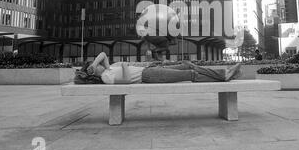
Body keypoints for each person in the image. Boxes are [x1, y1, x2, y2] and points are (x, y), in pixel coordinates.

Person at [76, 52, 242, 84]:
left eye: (96, 64)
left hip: (150, 70)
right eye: (94, 67)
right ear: (94, 74)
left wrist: (95, 63)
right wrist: (125, 65)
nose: (97, 66)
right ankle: (224, 74)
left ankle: (224, 74)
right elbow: (125, 80)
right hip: (149, 76)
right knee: (190, 73)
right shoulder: (106, 77)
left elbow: (103, 54)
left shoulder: (107, 69)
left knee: (187, 64)